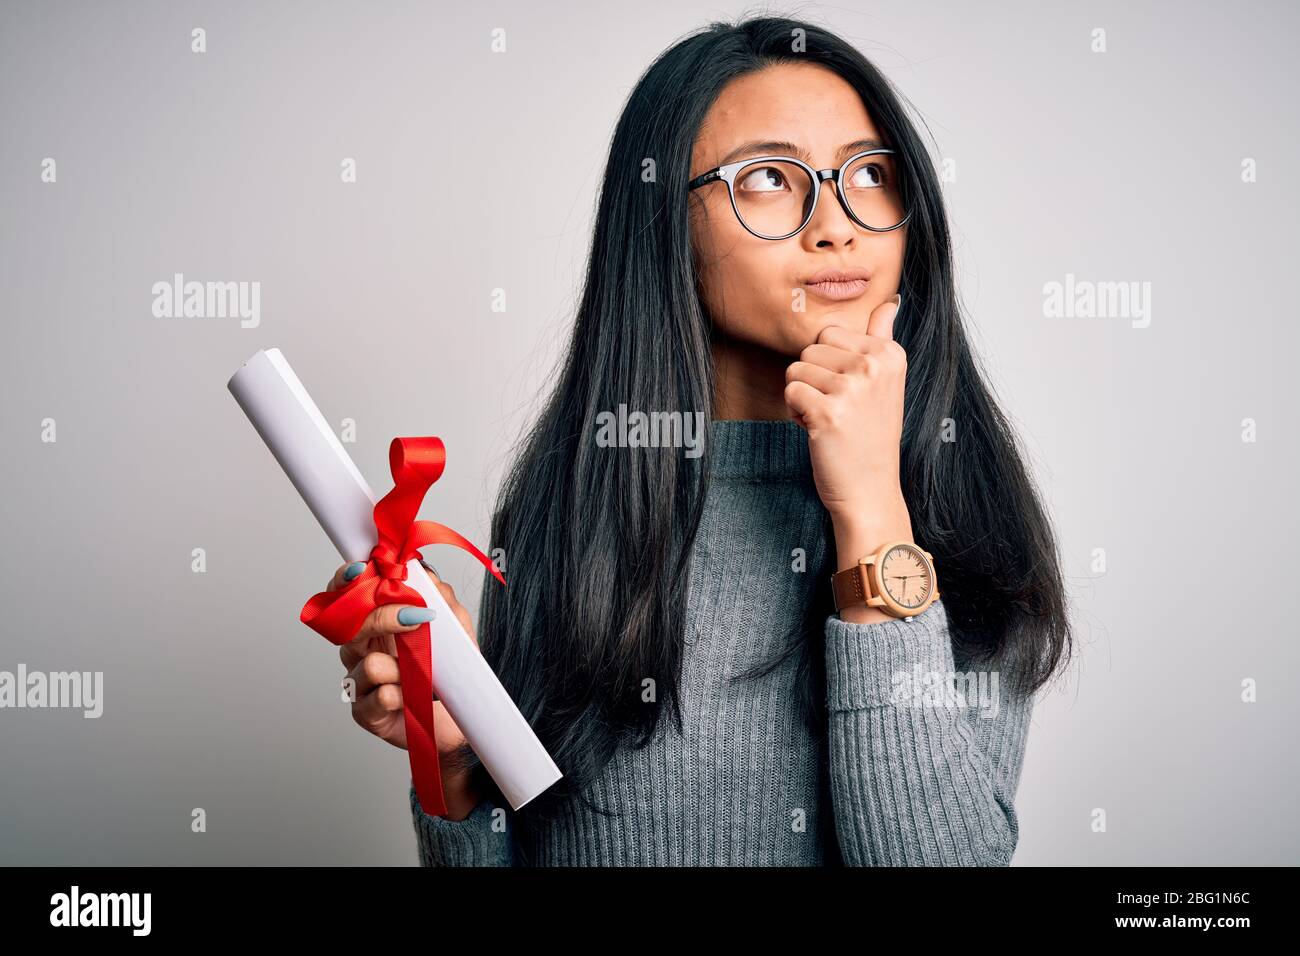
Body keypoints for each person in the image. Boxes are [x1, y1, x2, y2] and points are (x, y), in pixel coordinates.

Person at [326, 15, 1072, 866]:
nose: (836, 224)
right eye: (765, 179)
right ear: (664, 222)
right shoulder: (566, 504)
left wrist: (871, 505)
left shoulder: (963, 500)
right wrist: (455, 759)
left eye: (870, 174)